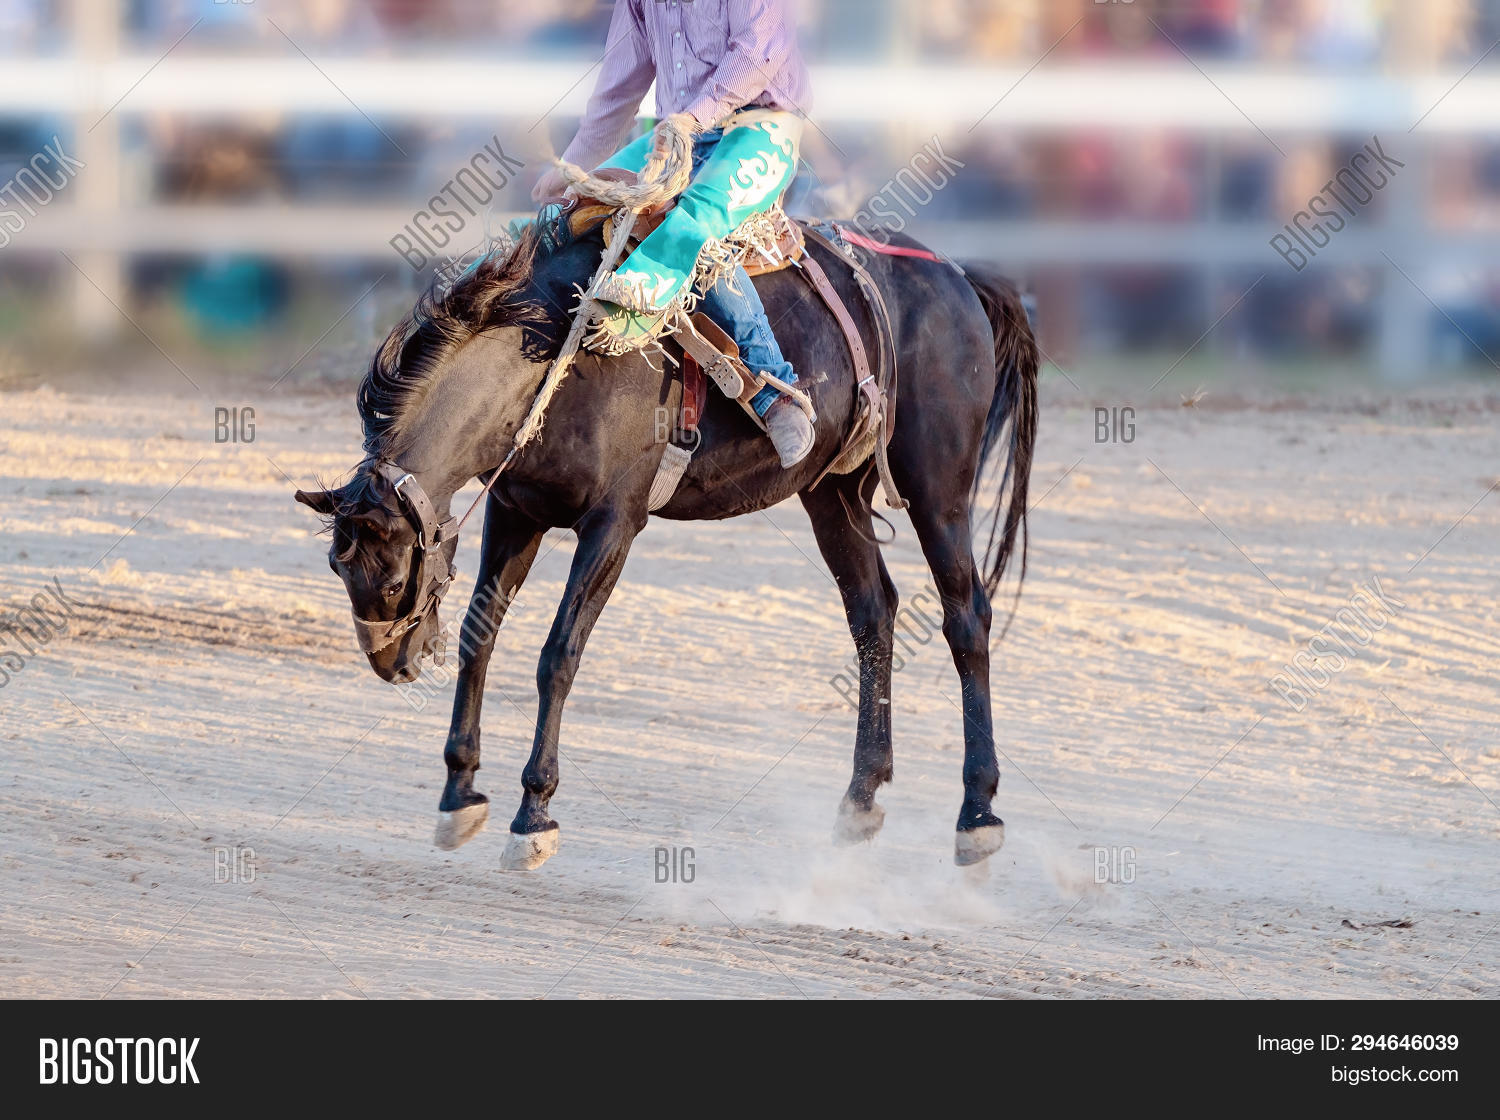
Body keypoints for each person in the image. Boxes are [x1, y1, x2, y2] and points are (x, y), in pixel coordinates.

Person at [532, 0, 815, 467]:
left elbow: (760, 52)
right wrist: (576, 165)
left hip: (761, 124)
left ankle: (776, 392)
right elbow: (618, 87)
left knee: (694, 219)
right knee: (568, 211)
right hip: (678, 130)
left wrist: (691, 118)